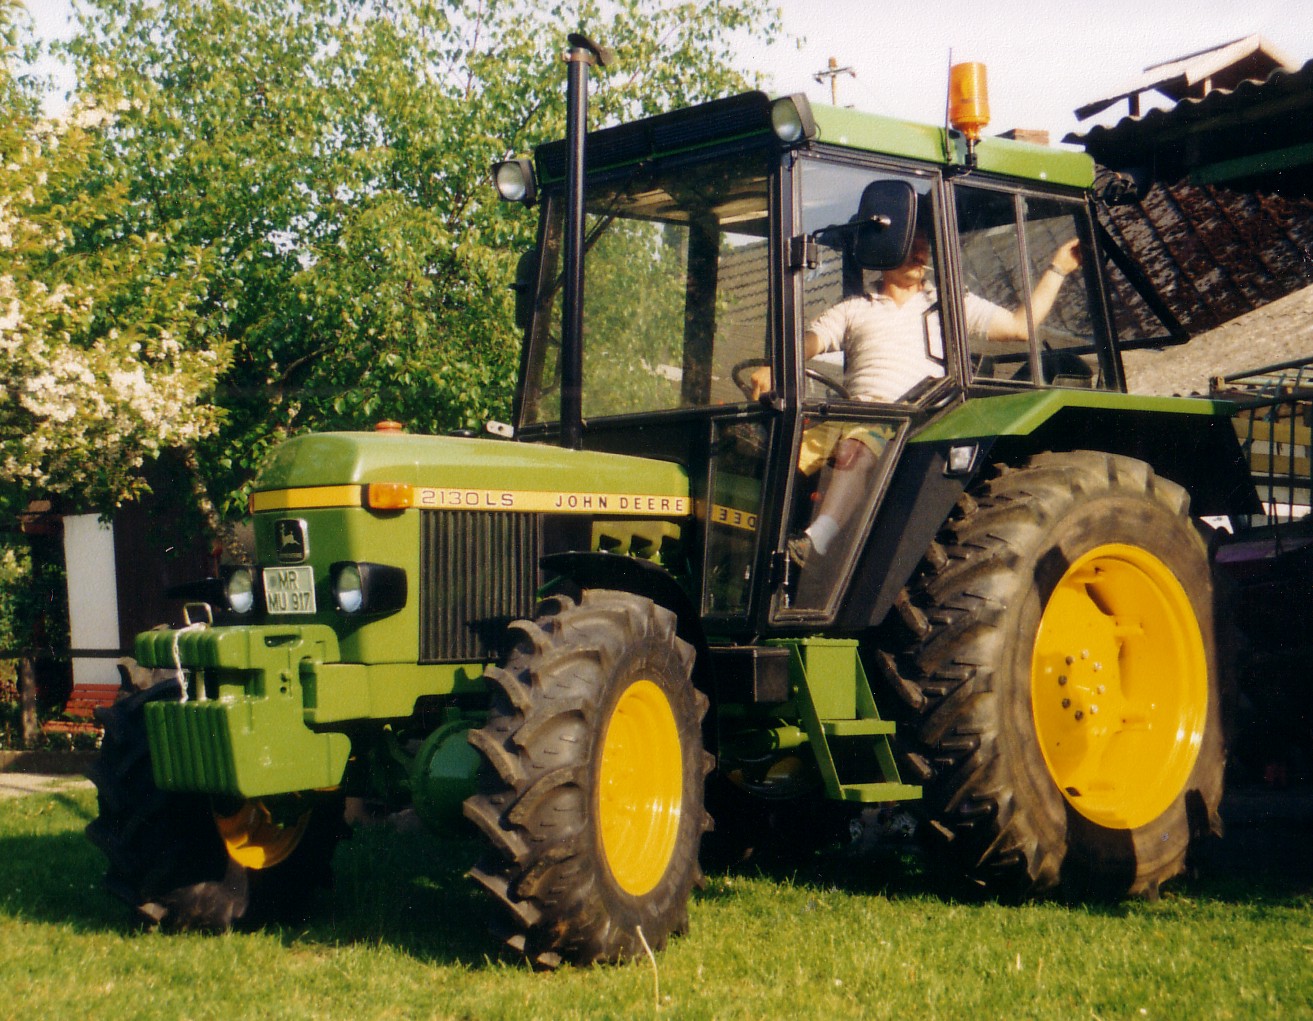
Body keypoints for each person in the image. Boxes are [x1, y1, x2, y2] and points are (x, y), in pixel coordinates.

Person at [751, 226, 1084, 568]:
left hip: (908, 422)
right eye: (910, 244)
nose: (920, 253)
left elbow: (1018, 326)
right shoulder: (854, 308)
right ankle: (756, 552)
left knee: (856, 449)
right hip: (848, 416)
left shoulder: (949, 305)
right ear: (883, 251)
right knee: (774, 450)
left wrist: (1057, 269)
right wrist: (776, 365)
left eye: (923, 246)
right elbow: (813, 340)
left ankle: (815, 544)